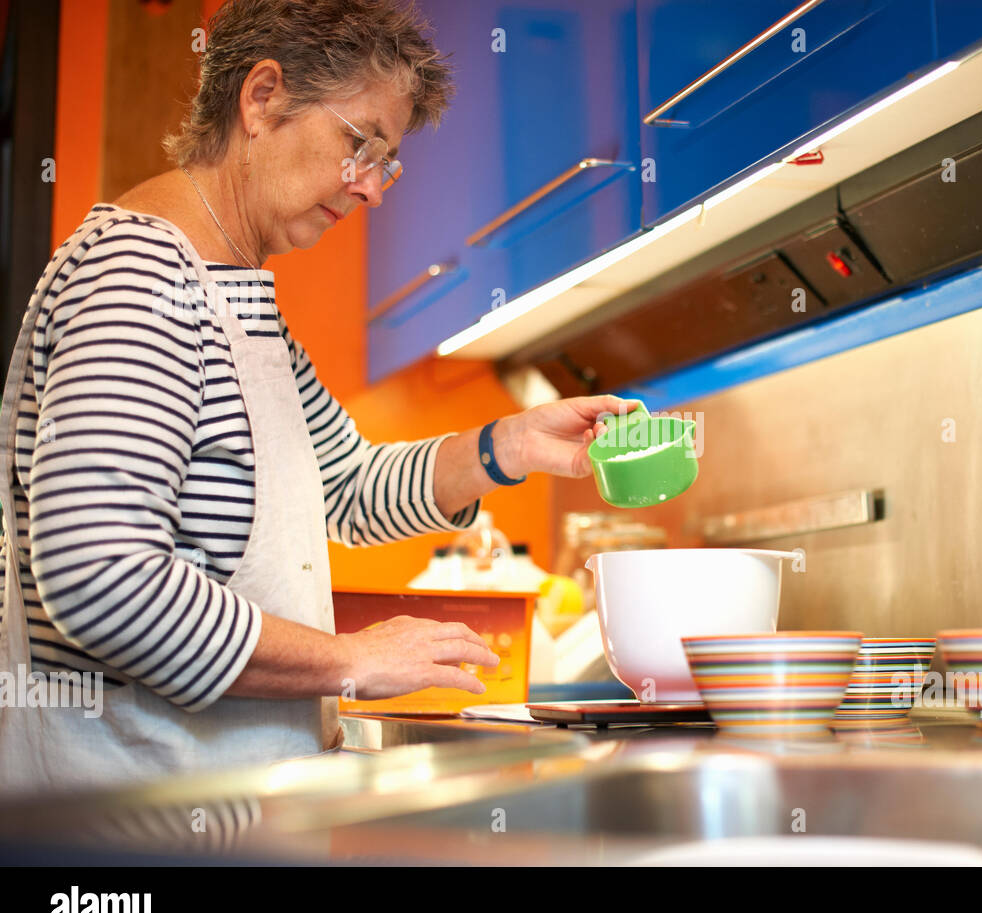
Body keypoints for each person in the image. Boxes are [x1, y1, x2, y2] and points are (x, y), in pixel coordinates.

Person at [0, 0, 630, 792]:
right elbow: (100, 575)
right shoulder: (140, 278)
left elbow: (348, 489)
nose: (372, 190)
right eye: (360, 144)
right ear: (262, 97)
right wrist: (349, 659)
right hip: (135, 823)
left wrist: (507, 447)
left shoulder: (232, 295)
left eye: (387, 163)